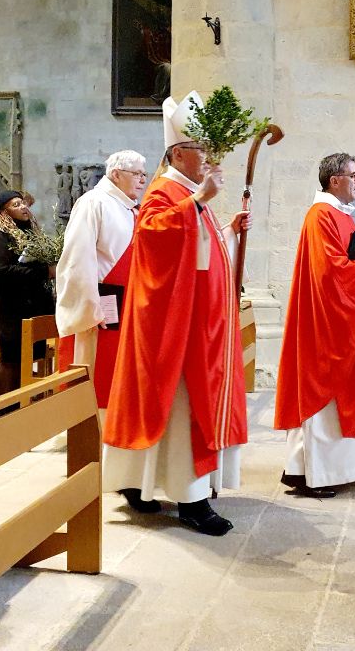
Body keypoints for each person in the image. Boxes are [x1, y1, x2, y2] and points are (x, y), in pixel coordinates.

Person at [103, 90, 250, 535]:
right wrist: (199, 201)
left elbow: (201, 252)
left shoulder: (184, 192)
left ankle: (142, 484)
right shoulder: (166, 191)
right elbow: (153, 237)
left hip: (198, 321)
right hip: (175, 326)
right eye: (201, 150)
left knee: (180, 410)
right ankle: (191, 500)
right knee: (182, 406)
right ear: (178, 153)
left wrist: (227, 229)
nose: (207, 158)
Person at [274, 153, 355, 498]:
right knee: (324, 398)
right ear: (334, 179)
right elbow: (331, 273)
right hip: (325, 325)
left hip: (343, 320)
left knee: (347, 395)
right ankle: (311, 474)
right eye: (354, 176)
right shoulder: (321, 215)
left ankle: (339, 467)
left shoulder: (341, 216)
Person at [56, 150, 146, 491]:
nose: (142, 179)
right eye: (137, 173)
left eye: (143, 174)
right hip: (102, 310)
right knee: (98, 382)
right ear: (117, 173)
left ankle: (118, 456)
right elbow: (77, 257)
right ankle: (93, 454)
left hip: (128, 308)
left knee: (118, 383)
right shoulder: (93, 203)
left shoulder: (130, 208)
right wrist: (89, 308)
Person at [0, 190, 56, 397]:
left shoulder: (29, 233)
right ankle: (3, 409)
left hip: (32, 304)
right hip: (11, 307)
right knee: (11, 359)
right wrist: (45, 271)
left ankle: (21, 404)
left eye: (23, 203)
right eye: (15, 205)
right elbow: (2, 270)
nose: (23, 207)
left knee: (27, 357)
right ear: (3, 213)